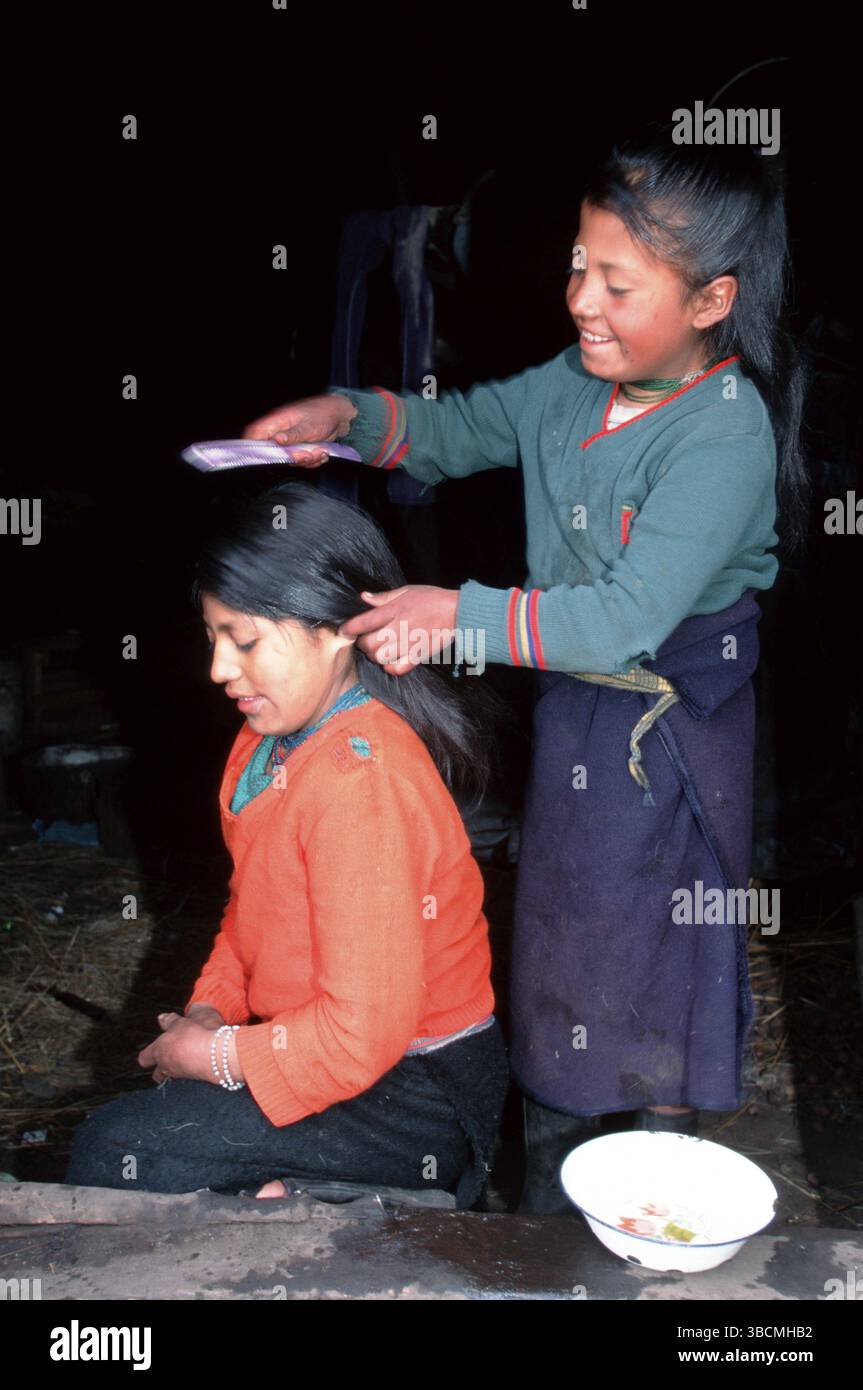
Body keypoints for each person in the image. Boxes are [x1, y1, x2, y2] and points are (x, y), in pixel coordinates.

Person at [242, 126, 807, 1212]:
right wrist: (350, 419)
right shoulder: (571, 384)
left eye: (617, 283)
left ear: (709, 301)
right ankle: (558, 1184)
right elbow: (457, 429)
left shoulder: (721, 434)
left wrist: (453, 613)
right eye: (575, 267)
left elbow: (627, 621)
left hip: (671, 721)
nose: (581, 300)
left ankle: (654, 1182)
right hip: (580, 714)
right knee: (566, 936)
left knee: (659, 948)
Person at [64, 483, 510, 1209]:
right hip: (323, 1051)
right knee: (134, 1146)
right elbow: (249, 913)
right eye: (212, 637)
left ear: (335, 628)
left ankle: (341, 1197)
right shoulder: (264, 743)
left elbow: (359, 1040)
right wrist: (210, 1008)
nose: (218, 668)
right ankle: (289, 1192)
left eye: (243, 640)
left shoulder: (359, 782)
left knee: (119, 1155)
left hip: (413, 1093)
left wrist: (212, 1058)